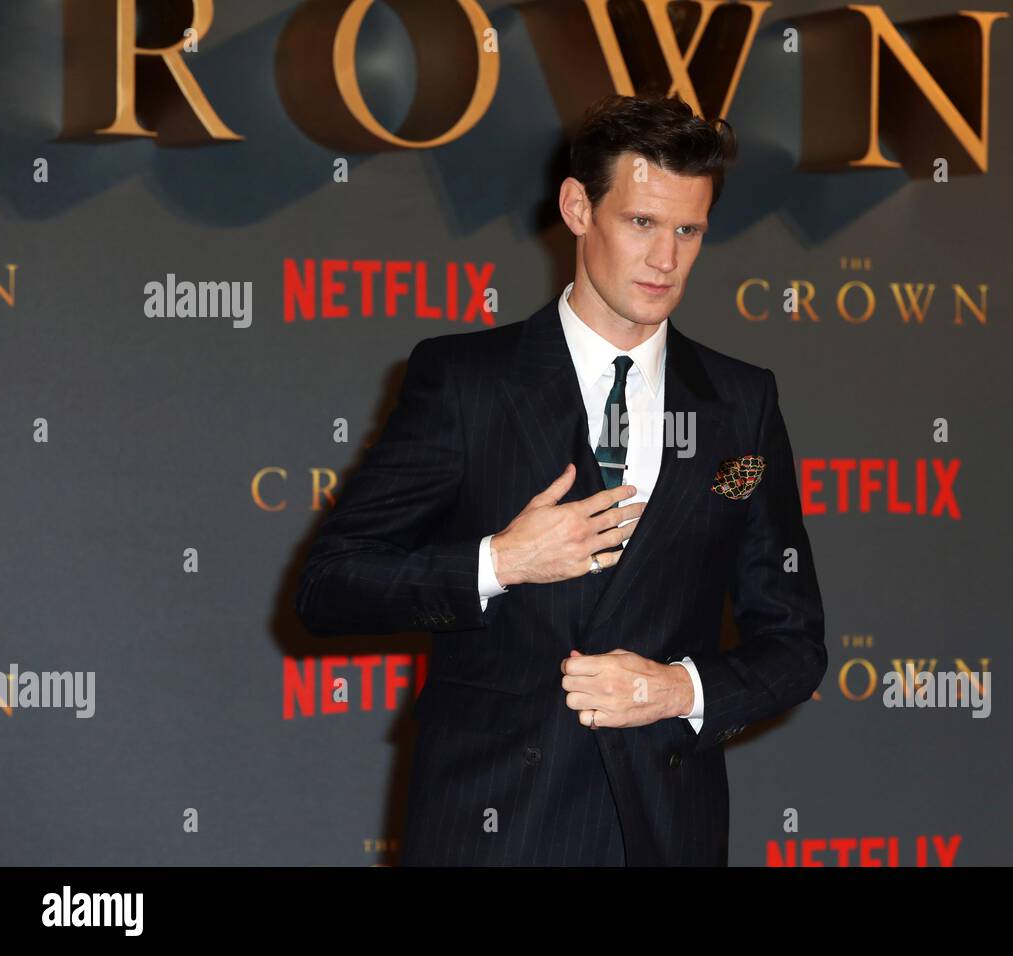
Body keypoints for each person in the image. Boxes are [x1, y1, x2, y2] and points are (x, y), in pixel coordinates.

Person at [294, 93, 826, 866]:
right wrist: (499, 563)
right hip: (494, 826)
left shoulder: (741, 403)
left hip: (664, 827)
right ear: (579, 207)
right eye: (642, 223)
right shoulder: (465, 382)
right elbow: (330, 586)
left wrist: (677, 690)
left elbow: (795, 641)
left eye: (688, 231)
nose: (665, 260)